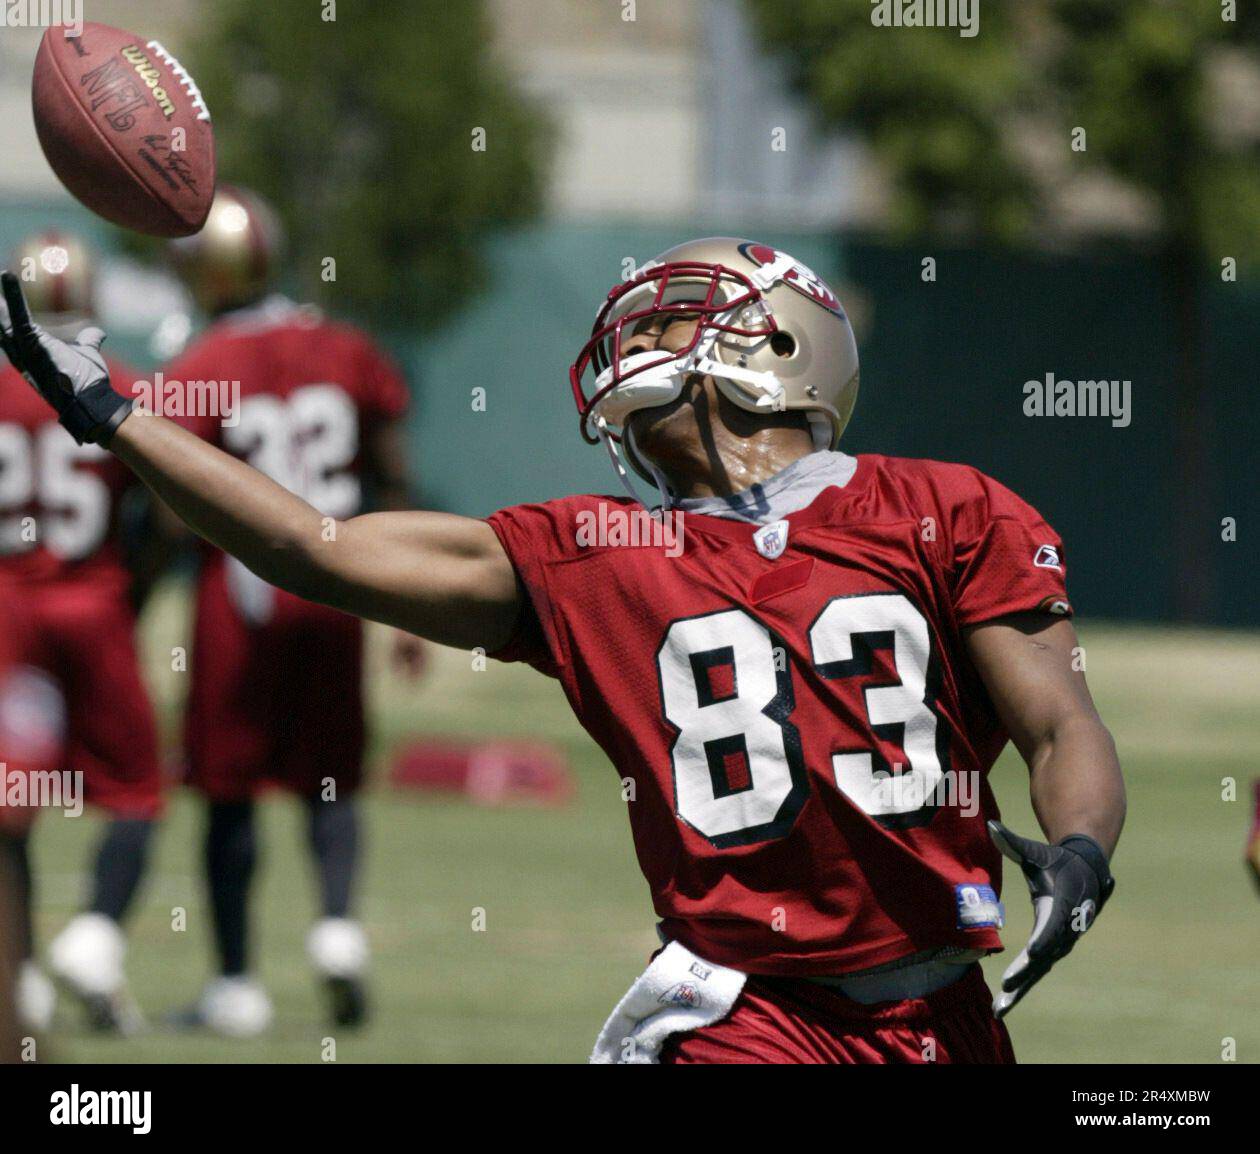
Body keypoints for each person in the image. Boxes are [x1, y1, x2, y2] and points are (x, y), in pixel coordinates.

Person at [0, 238, 1125, 1063]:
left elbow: (1061, 722)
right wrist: (113, 411)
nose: (634, 335)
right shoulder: (596, 550)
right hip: (746, 1014)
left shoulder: (947, 509)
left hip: (946, 1013)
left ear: (784, 338)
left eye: (672, 314)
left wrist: (1080, 851)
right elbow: (314, 543)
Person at [156, 186, 421, 1036]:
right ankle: (338, 933)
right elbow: (391, 473)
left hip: (243, 598)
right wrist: (406, 604)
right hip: (339, 591)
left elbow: (170, 504)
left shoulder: (203, 364)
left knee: (228, 791)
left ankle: (236, 983)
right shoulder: (344, 347)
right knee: (330, 779)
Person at [0, 232, 163, 1033]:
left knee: (10, 801)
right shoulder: (121, 386)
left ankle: (19, 971)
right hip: (93, 601)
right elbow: (169, 507)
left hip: (5, 613)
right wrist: (135, 583)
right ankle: (95, 938)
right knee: (136, 787)